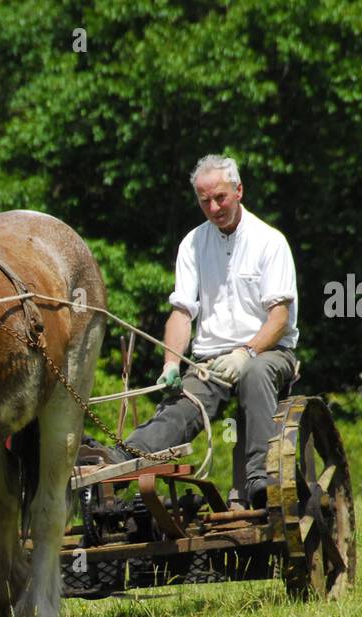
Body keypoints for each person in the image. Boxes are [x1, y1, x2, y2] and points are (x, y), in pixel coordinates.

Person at [113, 154, 300, 508]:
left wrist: (246, 352)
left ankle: (258, 479)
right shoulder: (192, 244)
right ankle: (124, 461)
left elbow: (279, 318)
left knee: (255, 374)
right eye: (205, 201)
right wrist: (171, 364)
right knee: (183, 402)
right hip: (211, 361)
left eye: (220, 198)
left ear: (239, 190)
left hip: (268, 352)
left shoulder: (269, 241)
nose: (213, 207)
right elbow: (182, 312)